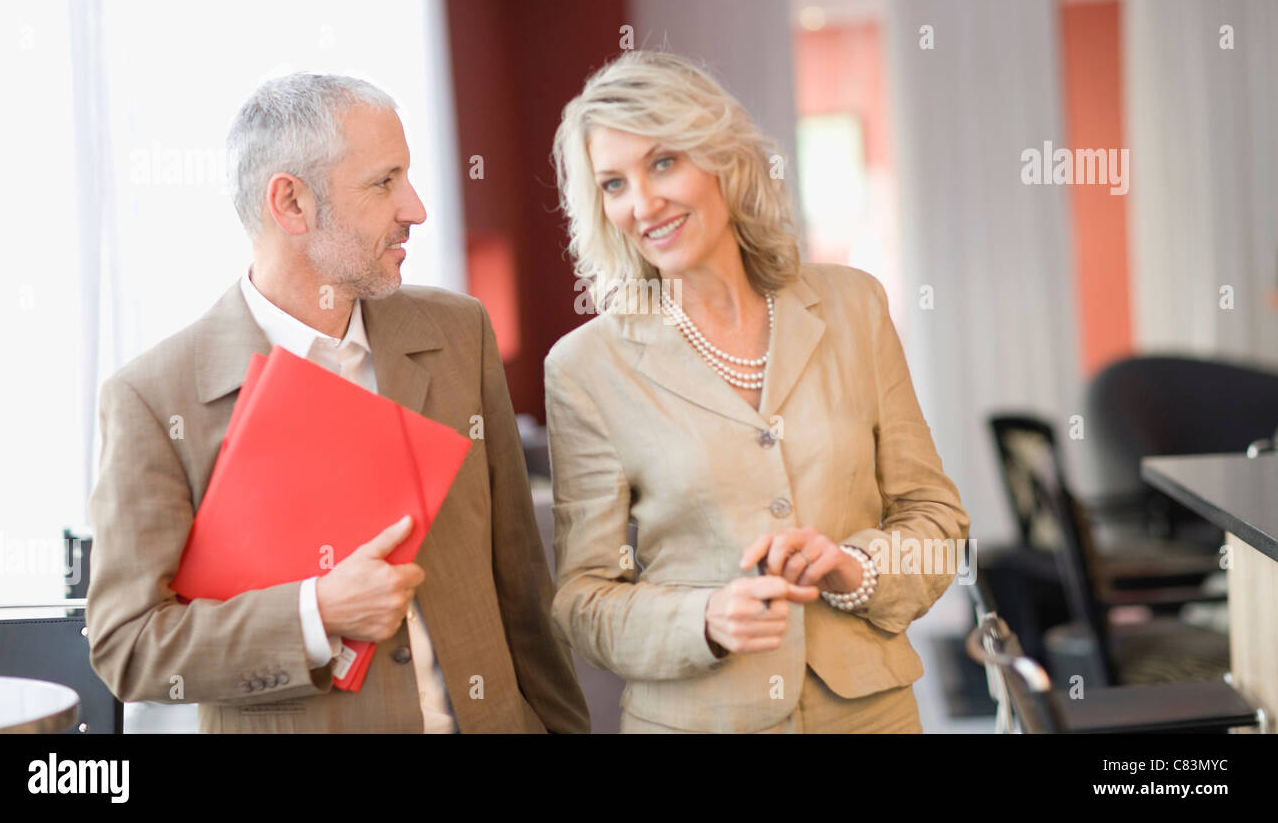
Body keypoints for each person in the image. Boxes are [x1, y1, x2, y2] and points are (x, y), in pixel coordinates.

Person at [86, 73, 589, 733]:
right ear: (291, 203)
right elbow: (128, 647)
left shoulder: (457, 333)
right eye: (384, 183)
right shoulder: (153, 398)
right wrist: (314, 613)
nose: (414, 208)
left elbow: (520, 578)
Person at [544, 51, 970, 733]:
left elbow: (936, 521)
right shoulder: (585, 367)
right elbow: (581, 603)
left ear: (722, 157)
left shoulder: (852, 306)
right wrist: (702, 619)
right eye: (614, 184)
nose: (643, 205)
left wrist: (854, 567)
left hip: (869, 716)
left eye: (662, 163)